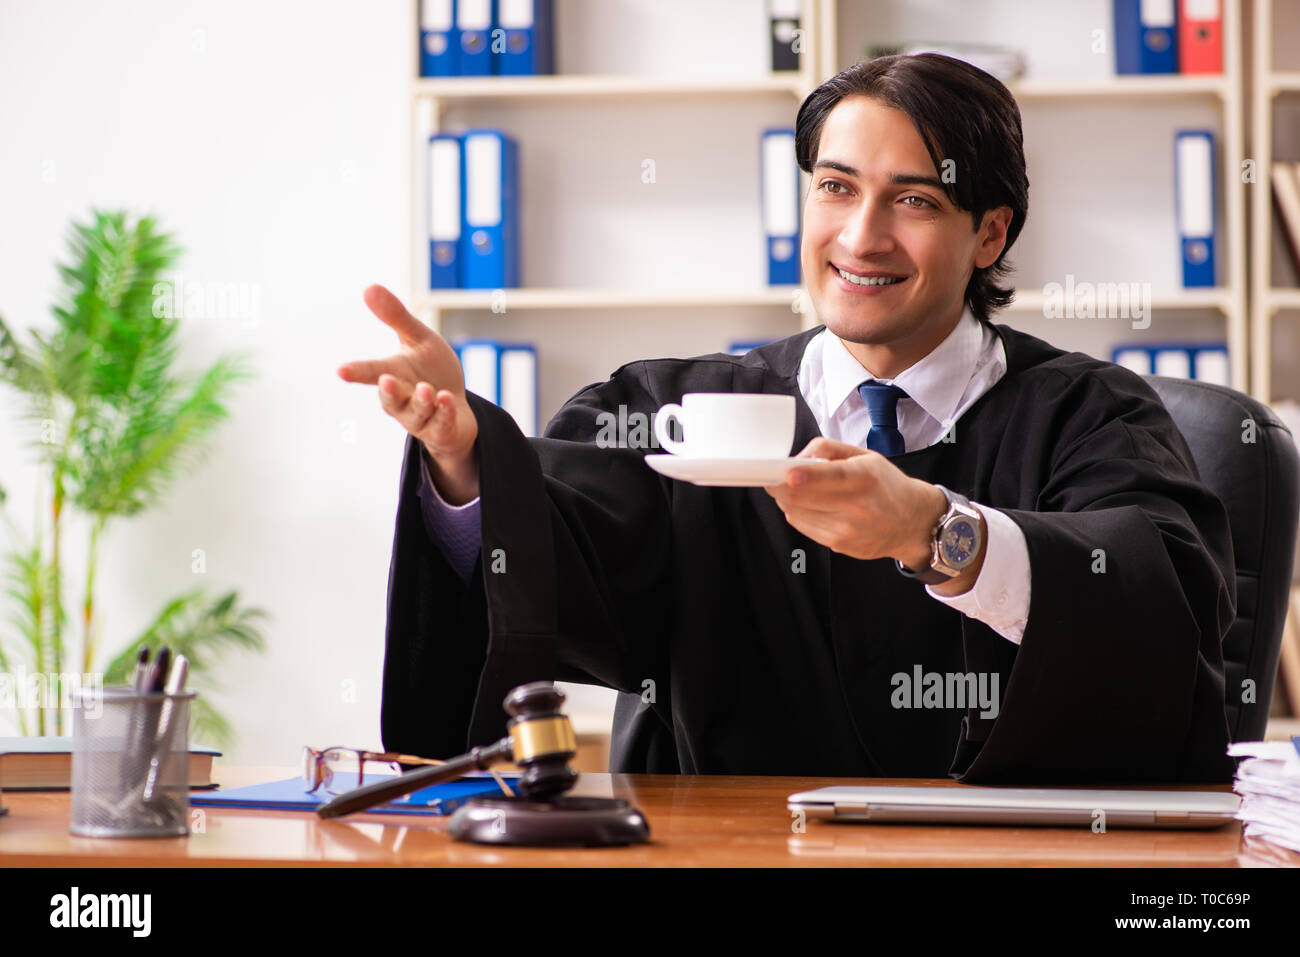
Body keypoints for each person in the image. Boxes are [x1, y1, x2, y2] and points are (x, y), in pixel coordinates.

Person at [338, 53, 1237, 783]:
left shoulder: (1092, 415)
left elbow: (1167, 620)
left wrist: (937, 531)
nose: (861, 236)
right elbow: (547, 558)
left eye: (915, 200)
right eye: (836, 189)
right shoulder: (677, 409)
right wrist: (465, 459)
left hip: (997, 861)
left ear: (991, 234)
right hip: (725, 858)